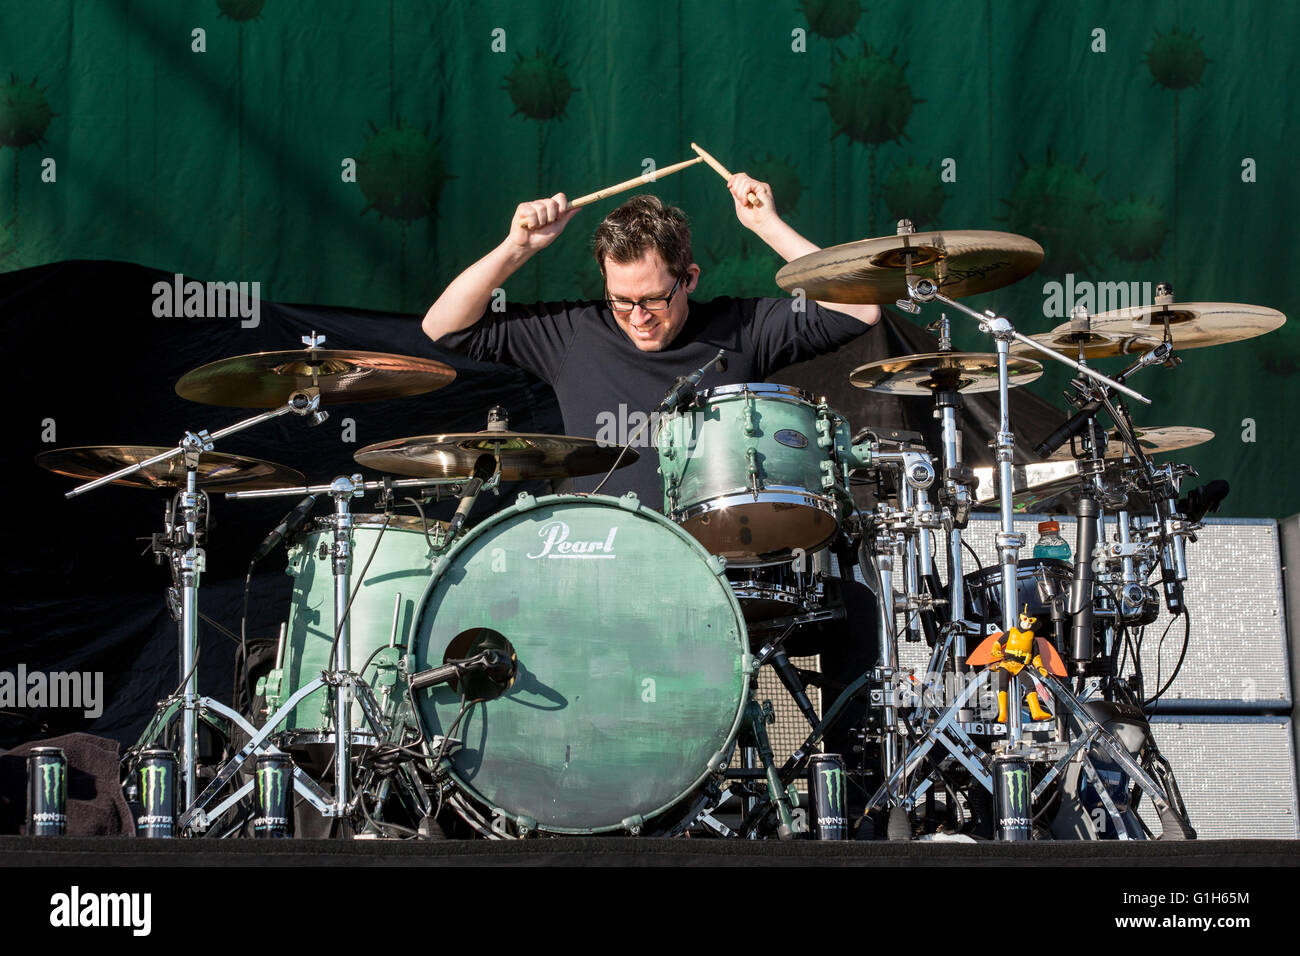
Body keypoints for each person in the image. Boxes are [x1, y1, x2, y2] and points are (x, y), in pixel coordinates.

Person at [422, 173, 880, 506]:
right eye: (621, 300)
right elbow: (443, 326)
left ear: (690, 279)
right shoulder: (573, 333)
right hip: (598, 561)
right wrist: (515, 248)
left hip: (717, 566)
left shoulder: (742, 328)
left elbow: (860, 307)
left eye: (654, 299)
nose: (637, 317)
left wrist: (767, 226)